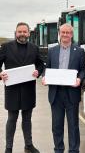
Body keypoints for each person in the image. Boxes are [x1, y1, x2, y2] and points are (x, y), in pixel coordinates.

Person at [0, 22, 44, 153]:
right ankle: (9, 147)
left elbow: (41, 65)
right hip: (12, 90)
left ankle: (28, 145)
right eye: (20, 32)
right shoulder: (6, 47)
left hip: (28, 90)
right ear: (16, 33)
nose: (22, 34)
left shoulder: (34, 48)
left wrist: (38, 72)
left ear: (29, 33)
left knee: (27, 119)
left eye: (25, 32)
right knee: (12, 119)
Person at [42, 23, 85, 153]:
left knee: (73, 126)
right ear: (59, 34)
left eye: (68, 32)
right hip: (56, 94)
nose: (65, 35)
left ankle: (74, 150)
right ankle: (58, 149)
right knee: (57, 126)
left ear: (72, 35)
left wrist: (79, 79)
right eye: (63, 32)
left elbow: (83, 69)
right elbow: (47, 69)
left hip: (72, 93)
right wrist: (45, 77)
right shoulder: (52, 51)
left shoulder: (79, 51)